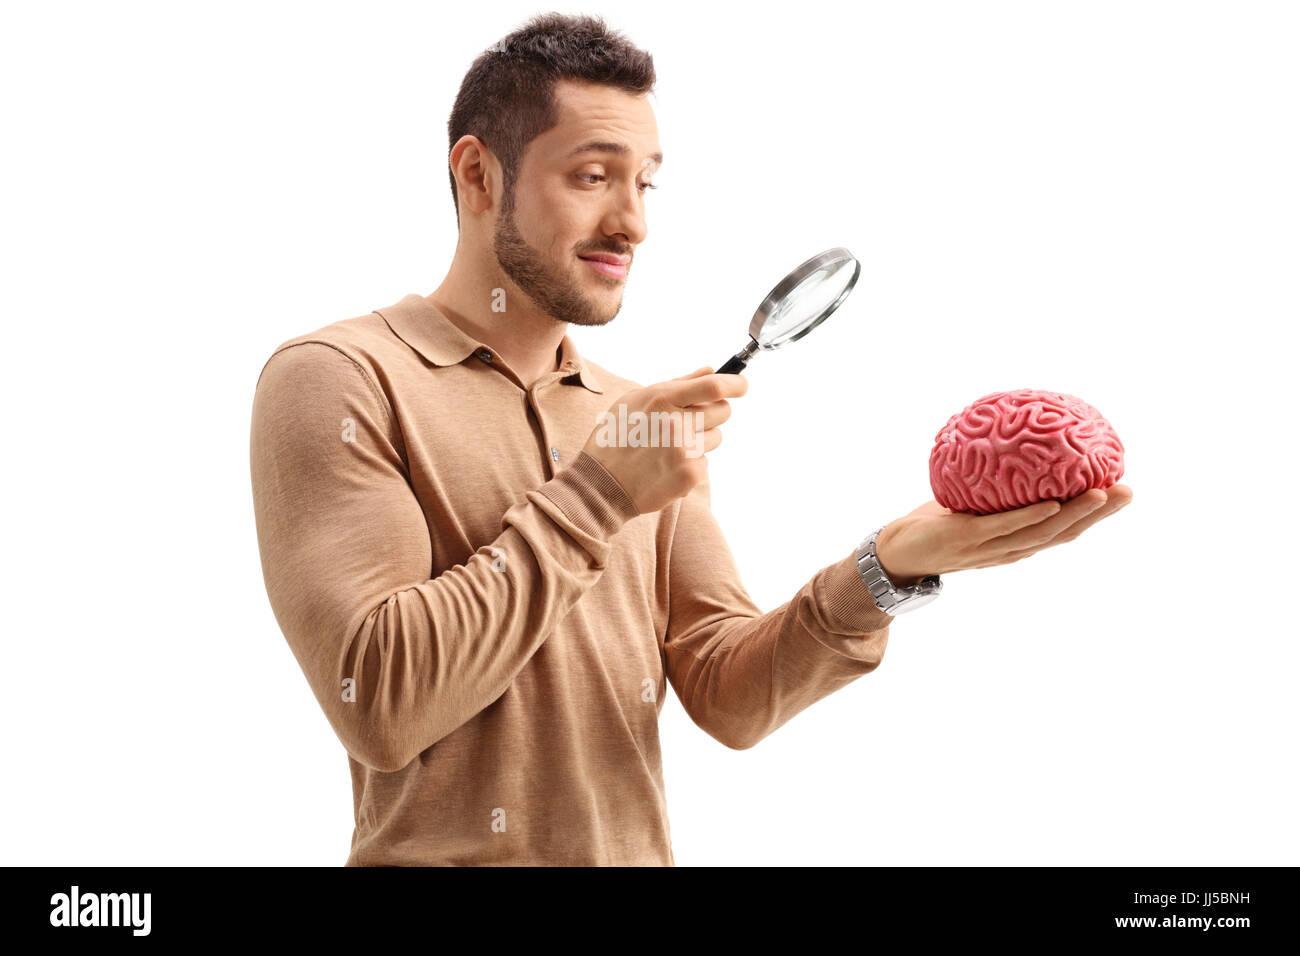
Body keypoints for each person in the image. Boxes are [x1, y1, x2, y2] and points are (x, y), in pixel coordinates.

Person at [248, 12, 1132, 866]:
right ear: (478, 177)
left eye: (646, 182)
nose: (632, 223)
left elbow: (728, 694)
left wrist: (888, 568)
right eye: (593, 176)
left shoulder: (636, 420)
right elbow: (383, 705)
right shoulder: (337, 377)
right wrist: (599, 493)